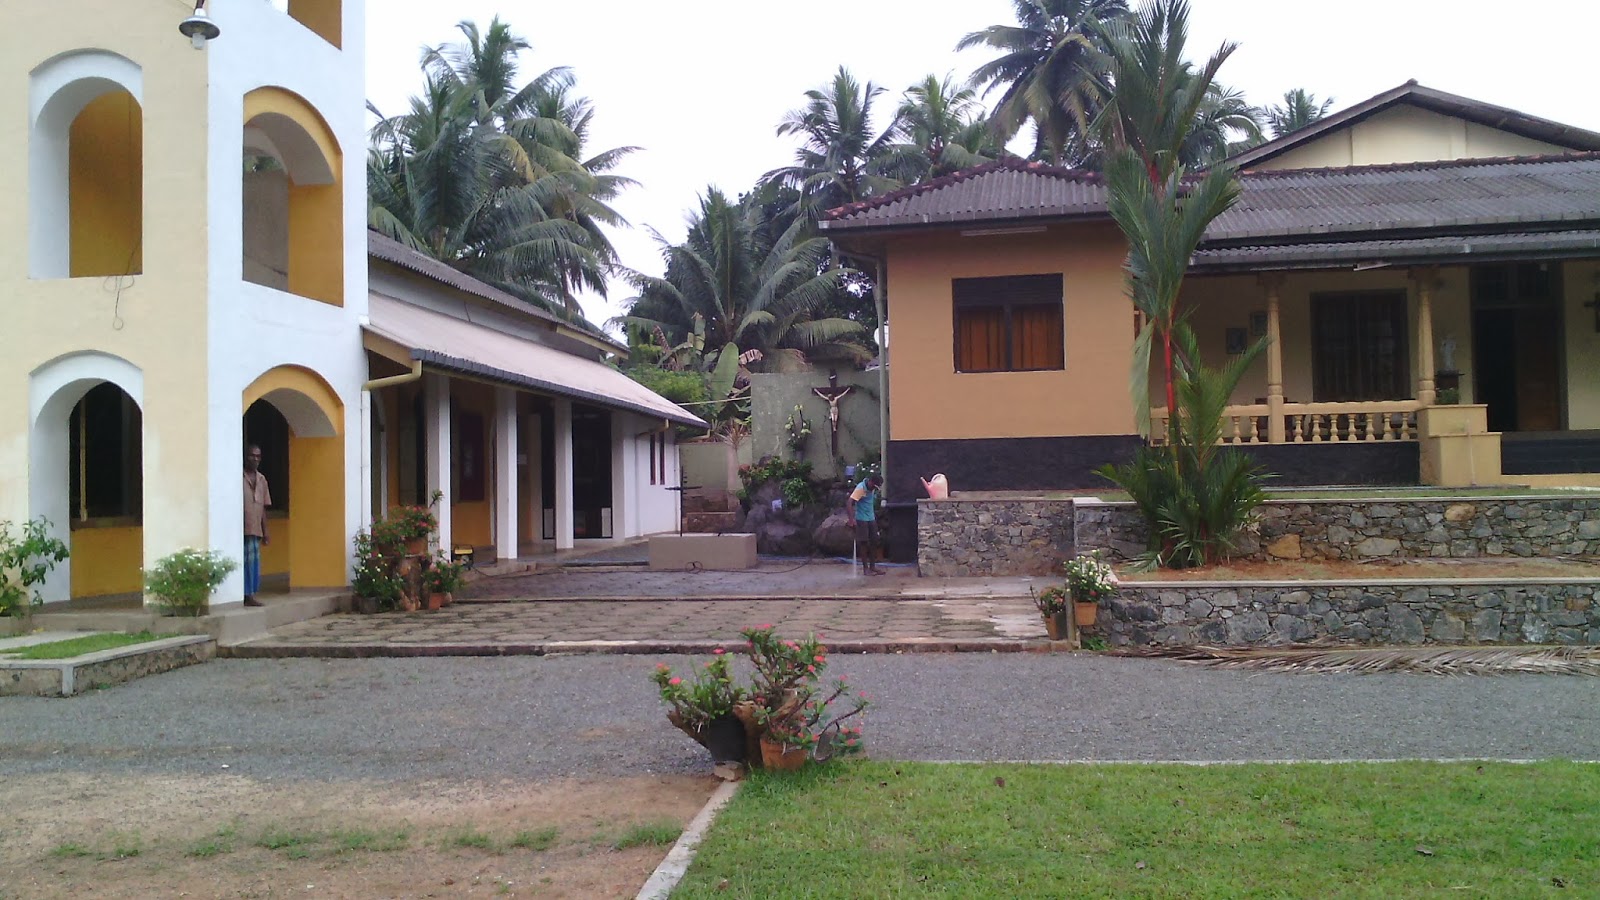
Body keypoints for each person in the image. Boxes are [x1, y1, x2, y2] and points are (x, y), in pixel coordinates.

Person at [243, 444, 271, 607]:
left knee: (253, 563)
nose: (255, 459)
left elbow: (263, 508)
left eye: (258, 456)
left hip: (255, 529)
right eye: (252, 455)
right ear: (246, 457)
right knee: (244, 562)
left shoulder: (262, 480)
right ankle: (245, 594)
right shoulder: (238, 477)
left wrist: (266, 530)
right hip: (240, 529)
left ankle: (251, 593)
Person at [847, 475, 884, 575]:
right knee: (864, 542)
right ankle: (865, 569)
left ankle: (872, 567)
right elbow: (849, 503)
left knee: (874, 541)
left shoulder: (871, 488)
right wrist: (851, 520)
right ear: (871, 482)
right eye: (875, 486)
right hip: (861, 518)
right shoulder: (861, 489)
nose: (874, 489)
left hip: (871, 517)